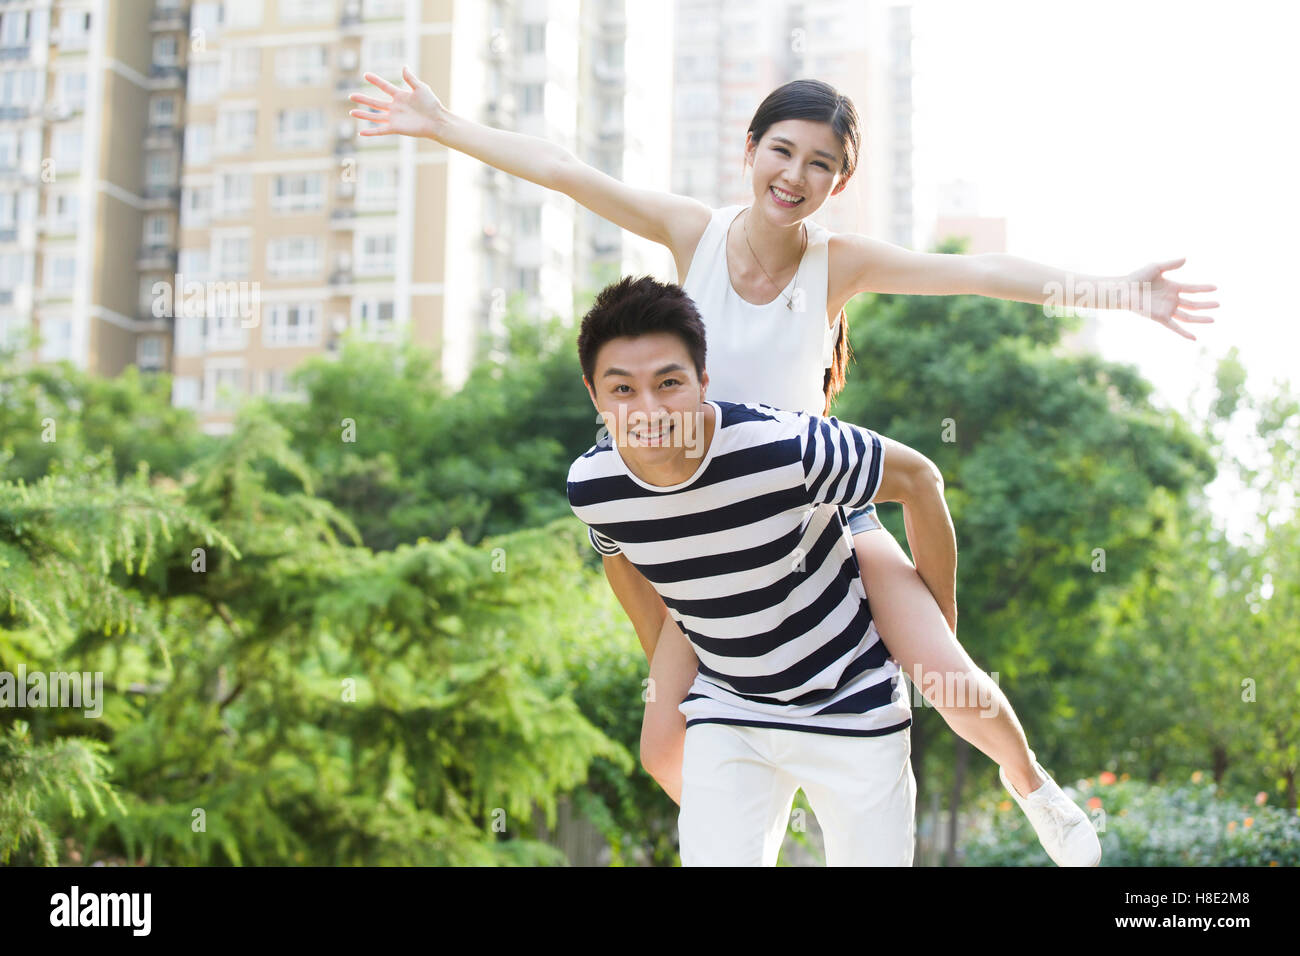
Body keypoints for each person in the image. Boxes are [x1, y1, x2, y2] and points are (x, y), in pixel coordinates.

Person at [350, 67, 1215, 865]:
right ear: (750, 152)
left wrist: (1119, 291)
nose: (795, 176)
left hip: (816, 514)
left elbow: (981, 272)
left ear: (840, 182)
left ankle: (1030, 784)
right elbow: (566, 169)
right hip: (710, 530)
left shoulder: (838, 264)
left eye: (820, 164)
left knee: (946, 676)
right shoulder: (693, 233)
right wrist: (442, 126)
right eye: (782, 151)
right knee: (662, 746)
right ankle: (762, 809)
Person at [568, 273, 941, 864]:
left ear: (702, 382)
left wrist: (938, 624)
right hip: (731, 704)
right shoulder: (593, 485)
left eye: (669, 383)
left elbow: (919, 477)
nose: (647, 410)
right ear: (594, 394)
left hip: (850, 691)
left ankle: (1028, 780)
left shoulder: (787, 447)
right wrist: (667, 667)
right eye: (622, 390)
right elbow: (618, 556)